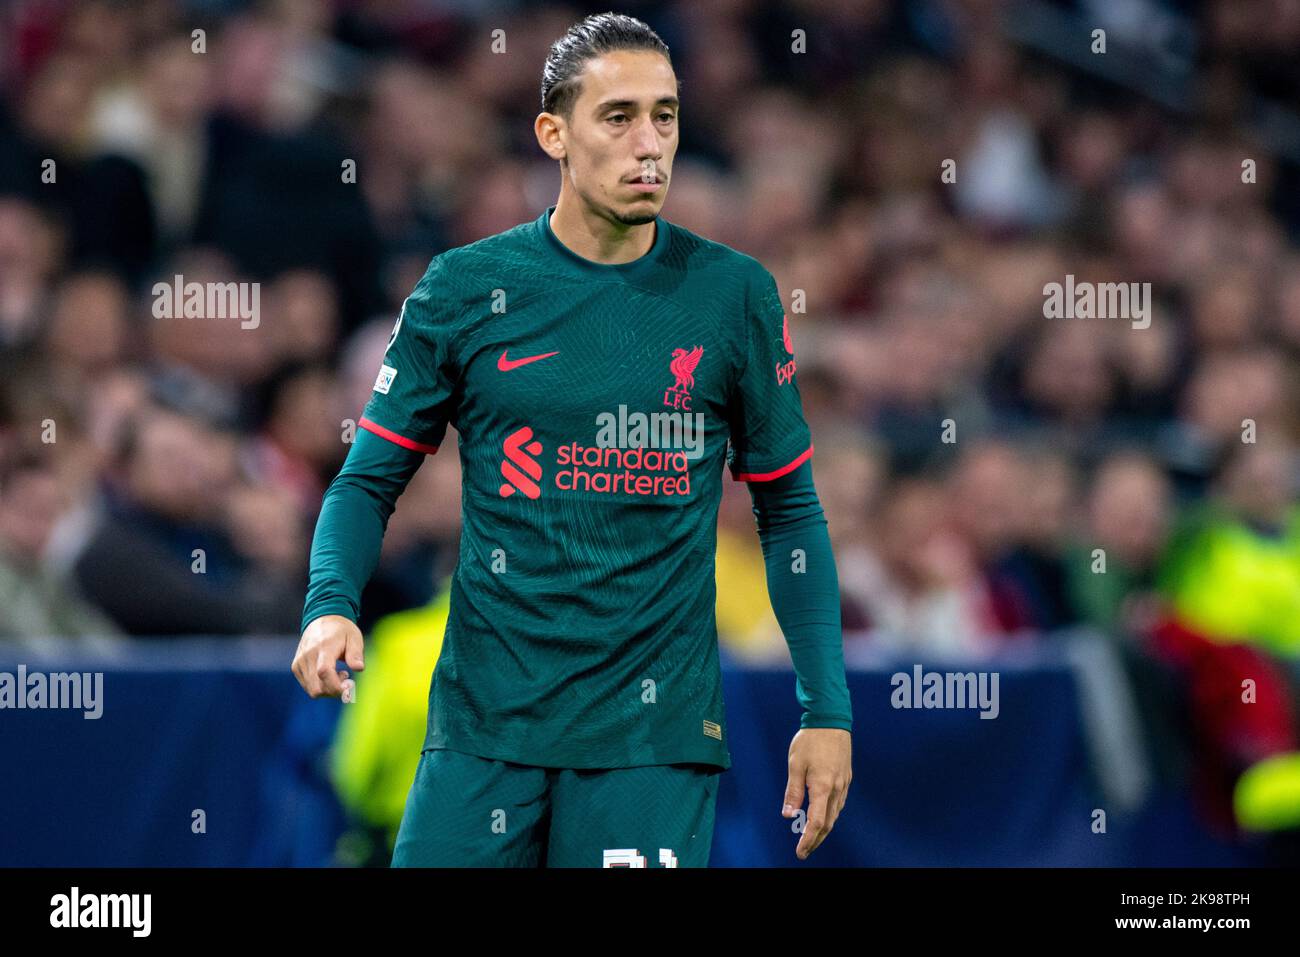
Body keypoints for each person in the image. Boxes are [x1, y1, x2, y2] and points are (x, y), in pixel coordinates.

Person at [293, 12, 852, 867]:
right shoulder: (466, 289)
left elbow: (789, 509)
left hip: (651, 742)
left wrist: (827, 711)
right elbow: (367, 480)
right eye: (619, 116)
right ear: (554, 133)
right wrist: (330, 603)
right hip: (484, 728)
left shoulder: (734, 296)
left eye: (664, 115)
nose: (650, 144)